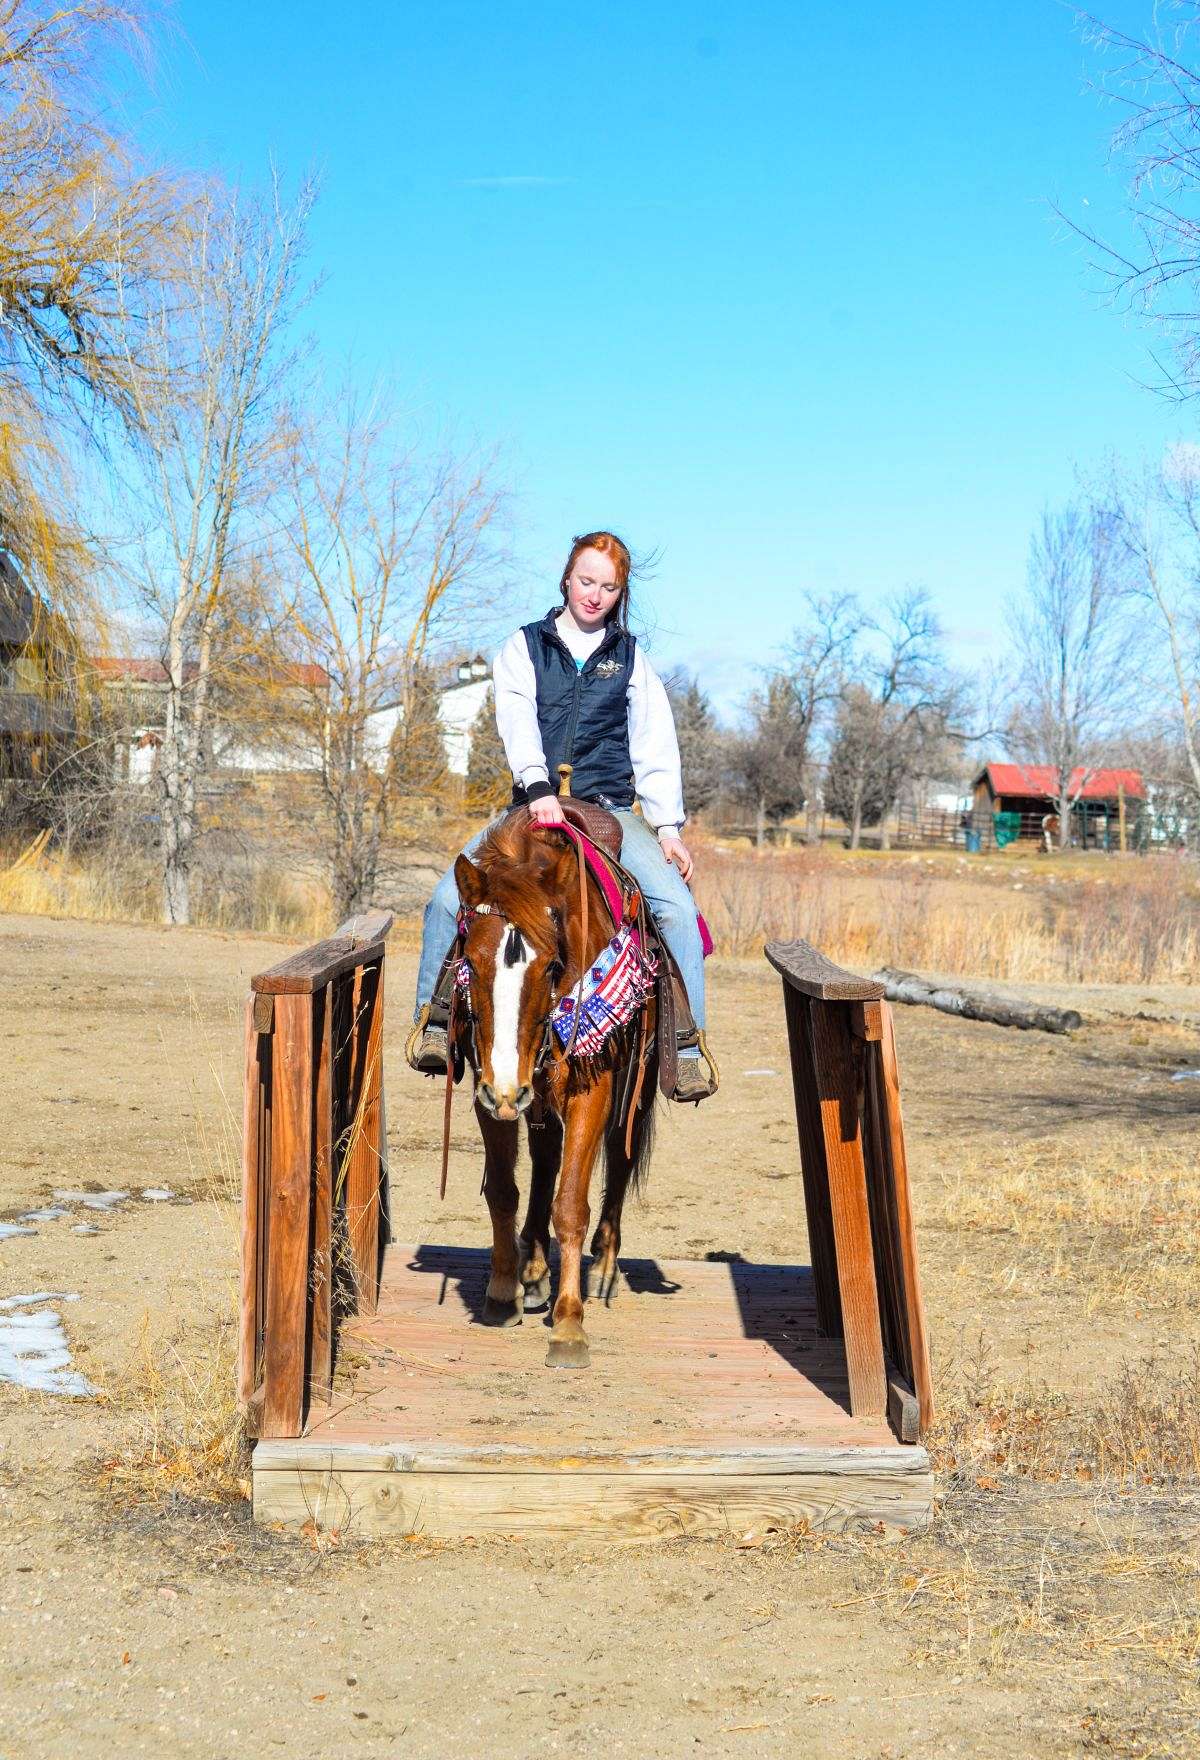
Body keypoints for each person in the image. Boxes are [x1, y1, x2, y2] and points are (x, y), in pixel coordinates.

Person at [406, 529, 715, 1102]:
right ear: (566, 580)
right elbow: (517, 719)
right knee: (448, 899)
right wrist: (537, 783)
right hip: (534, 801)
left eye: (608, 586)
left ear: (620, 593)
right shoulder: (524, 646)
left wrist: (668, 828)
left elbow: (655, 743)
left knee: (675, 907)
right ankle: (436, 1019)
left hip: (608, 808)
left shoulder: (630, 660)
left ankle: (686, 1048)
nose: (594, 595)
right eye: (586, 581)